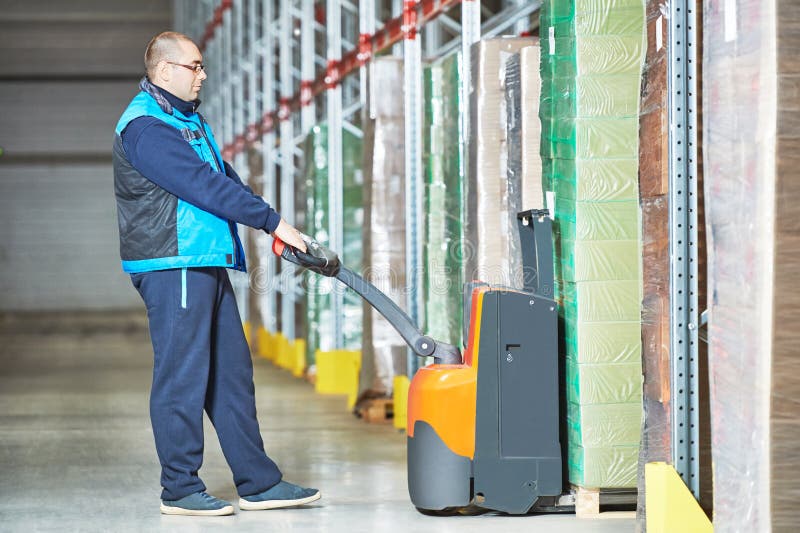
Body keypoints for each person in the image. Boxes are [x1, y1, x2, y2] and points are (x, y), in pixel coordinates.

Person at [112, 31, 318, 517]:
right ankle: (180, 488)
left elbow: (224, 178)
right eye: (195, 66)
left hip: (201, 258)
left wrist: (271, 222)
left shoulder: (186, 120)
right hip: (175, 263)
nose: (203, 75)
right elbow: (202, 186)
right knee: (182, 375)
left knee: (231, 373)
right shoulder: (145, 127)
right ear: (166, 71)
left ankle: (259, 483)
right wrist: (272, 222)